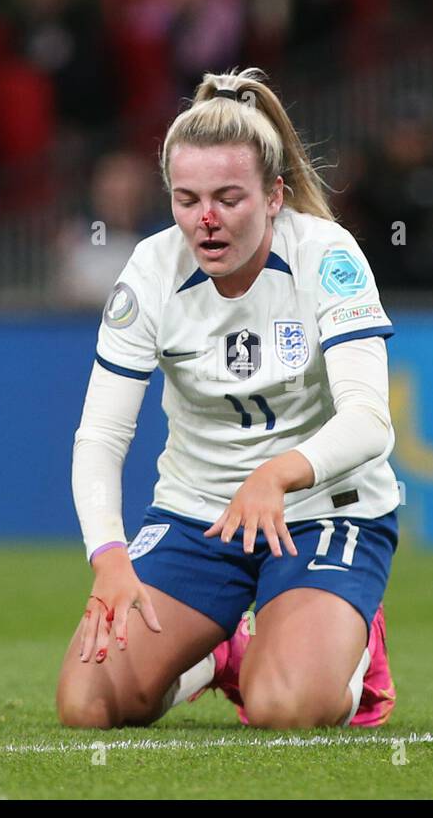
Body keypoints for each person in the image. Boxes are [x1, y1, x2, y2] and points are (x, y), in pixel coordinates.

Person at [57, 67, 400, 730]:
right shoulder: (151, 272)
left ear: (274, 196)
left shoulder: (328, 256)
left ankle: (354, 644)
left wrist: (277, 474)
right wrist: (109, 558)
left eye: (228, 198)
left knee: (288, 709)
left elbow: (368, 420)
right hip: (198, 519)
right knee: (88, 704)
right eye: (186, 199)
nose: (205, 219)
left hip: (322, 512)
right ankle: (221, 654)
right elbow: (100, 437)